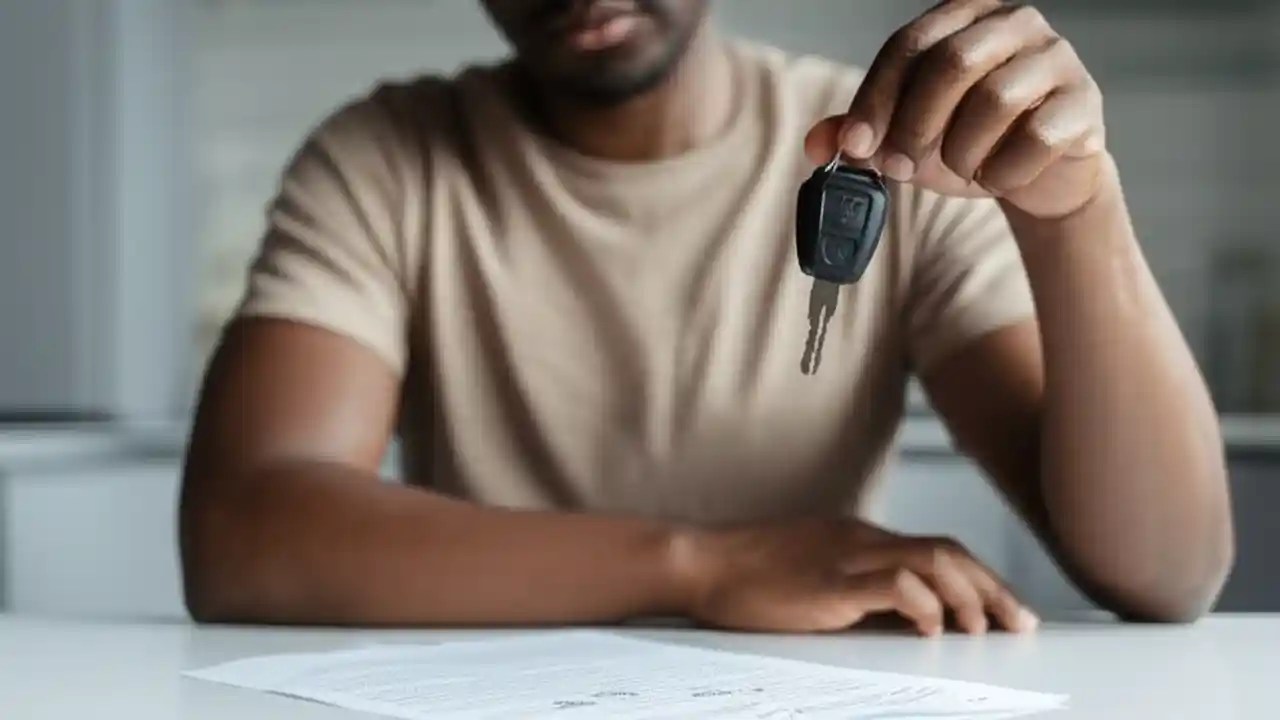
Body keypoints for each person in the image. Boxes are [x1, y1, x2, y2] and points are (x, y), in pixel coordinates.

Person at [180, 0, 1234, 634]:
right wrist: (709, 564)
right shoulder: (379, 158)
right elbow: (245, 536)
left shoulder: (903, 156)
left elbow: (1166, 571)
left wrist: (1075, 216)